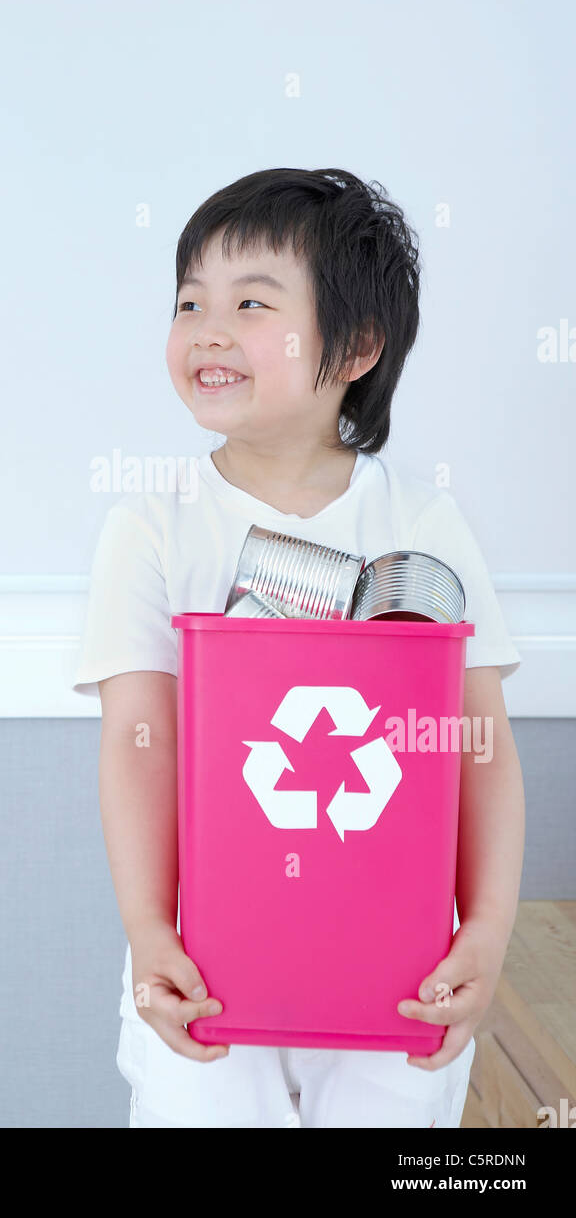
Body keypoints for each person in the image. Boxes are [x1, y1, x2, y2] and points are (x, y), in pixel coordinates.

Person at [71, 167, 525, 1128]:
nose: (208, 328)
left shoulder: (423, 524)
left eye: (251, 303)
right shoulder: (151, 531)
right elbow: (136, 745)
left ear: (356, 346)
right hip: (208, 975)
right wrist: (149, 932)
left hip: (400, 974)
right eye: (190, 301)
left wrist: (483, 937)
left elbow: (479, 748)